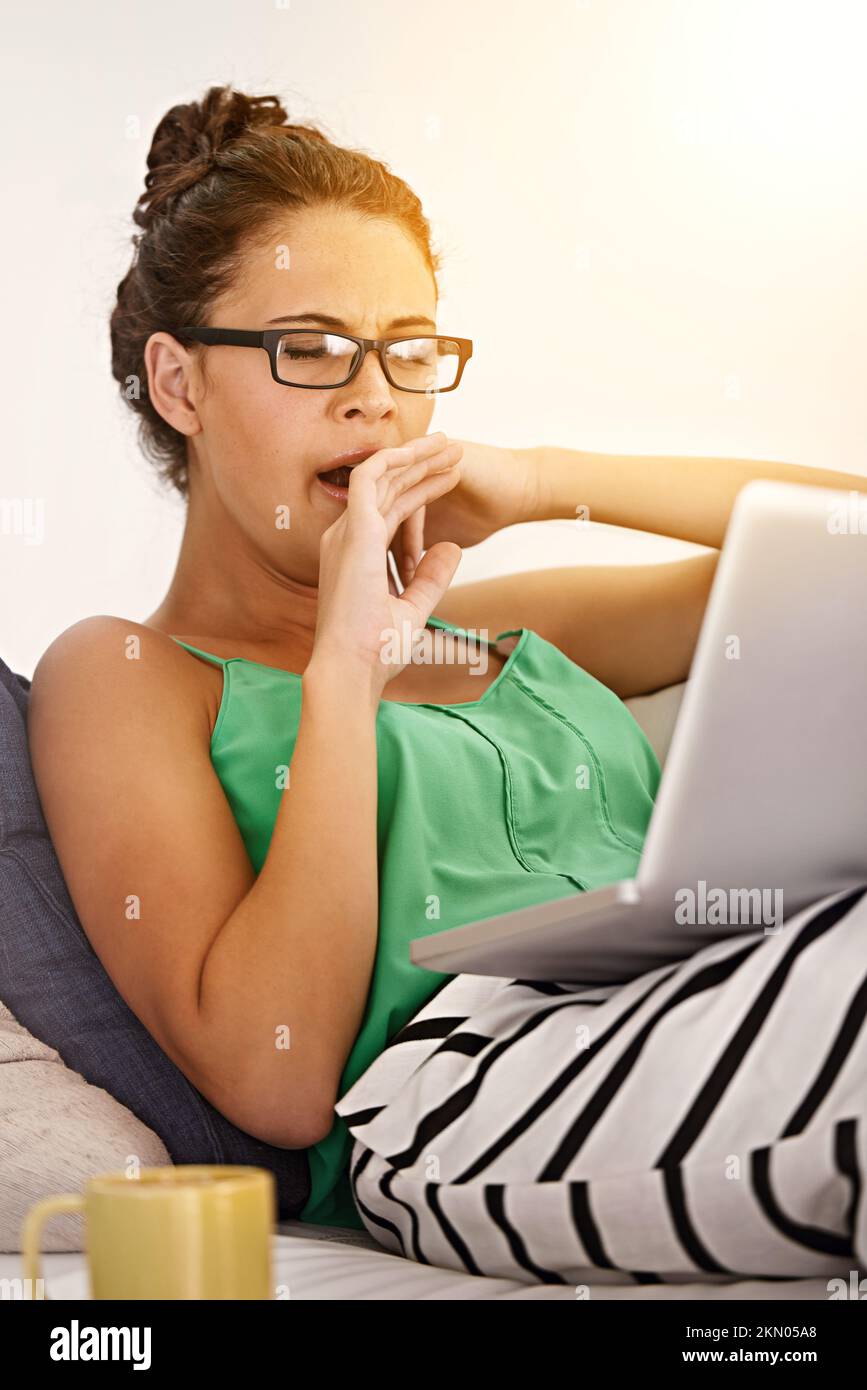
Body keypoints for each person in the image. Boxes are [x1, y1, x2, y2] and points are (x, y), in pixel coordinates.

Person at [27, 85, 867, 1260]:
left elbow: (851, 549)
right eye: (309, 348)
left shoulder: (492, 627)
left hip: (712, 989)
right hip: (465, 1092)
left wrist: (538, 478)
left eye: (409, 351)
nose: (376, 393)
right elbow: (278, 1074)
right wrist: (342, 677)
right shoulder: (125, 672)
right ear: (181, 386)